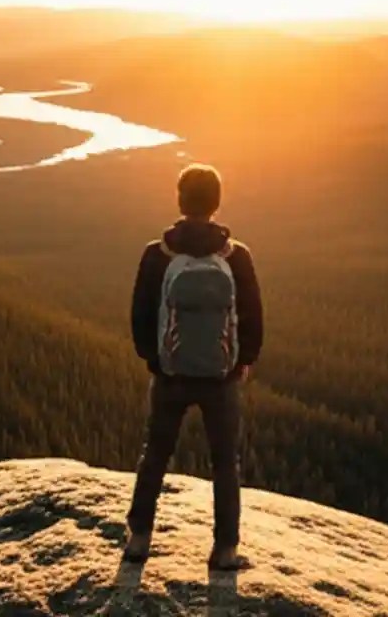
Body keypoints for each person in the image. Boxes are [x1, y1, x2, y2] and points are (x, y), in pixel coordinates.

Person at [124, 164, 264, 571]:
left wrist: (155, 359)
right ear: (216, 203)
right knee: (224, 462)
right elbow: (253, 315)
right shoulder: (236, 256)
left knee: (156, 454)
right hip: (220, 378)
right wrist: (242, 361)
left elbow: (141, 313)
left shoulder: (158, 254)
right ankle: (225, 549)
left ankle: (138, 538)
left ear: (180, 200)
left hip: (170, 376)